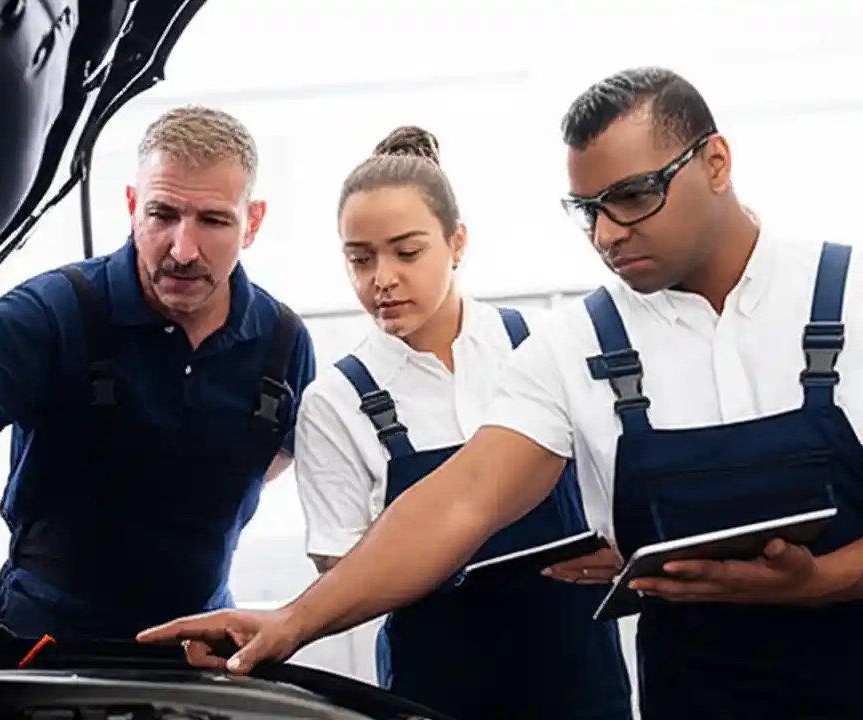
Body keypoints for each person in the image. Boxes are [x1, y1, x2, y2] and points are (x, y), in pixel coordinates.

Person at [137, 68, 863, 720]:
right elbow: (464, 496)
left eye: (633, 198)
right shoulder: (577, 342)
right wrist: (292, 621)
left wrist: (822, 580)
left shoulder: (849, 294)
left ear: (716, 163)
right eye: (587, 211)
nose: (607, 234)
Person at [0, 105, 316, 641]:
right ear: (133, 206)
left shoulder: (284, 341)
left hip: (196, 648)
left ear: (251, 223)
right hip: (47, 641)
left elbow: (281, 459)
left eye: (213, 220)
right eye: (162, 215)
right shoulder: (51, 312)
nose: (183, 250)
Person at [291, 125, 631, 719]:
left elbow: (616, 483)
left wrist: (624, 547)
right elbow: (340, 577)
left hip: (579, 678)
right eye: (360, 259)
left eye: (407, 251)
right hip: (436, 689)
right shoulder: (335, 401)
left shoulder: (542, 349)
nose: (382, 279)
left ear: (457, 243)